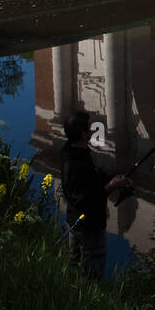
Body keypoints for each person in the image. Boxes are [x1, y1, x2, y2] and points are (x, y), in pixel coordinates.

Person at [60, 109, 131, 280]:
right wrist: (110, 187)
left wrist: (113, 179)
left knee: (75, 270)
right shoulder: (74, 164)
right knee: (91, 276)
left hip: (80, 223)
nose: (93, 131)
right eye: (89, 128)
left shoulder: (78, 154)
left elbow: (94, 176)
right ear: (84, 135)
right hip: (87, 228)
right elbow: (83, 200)